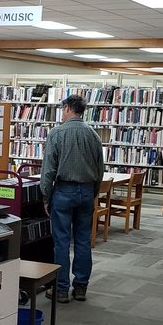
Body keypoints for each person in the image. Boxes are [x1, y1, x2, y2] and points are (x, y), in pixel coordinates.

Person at [40, 94, 104, 303]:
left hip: (63, 192)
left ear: (68, 108)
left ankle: (61, 289)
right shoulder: (93, 135)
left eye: (62, 109)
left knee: (61, 242)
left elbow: (48, 169)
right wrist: (93, 193)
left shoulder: (57, 133)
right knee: (83, 241)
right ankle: (81, 287)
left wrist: (46, 196)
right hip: (86, 191)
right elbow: (100, 169)